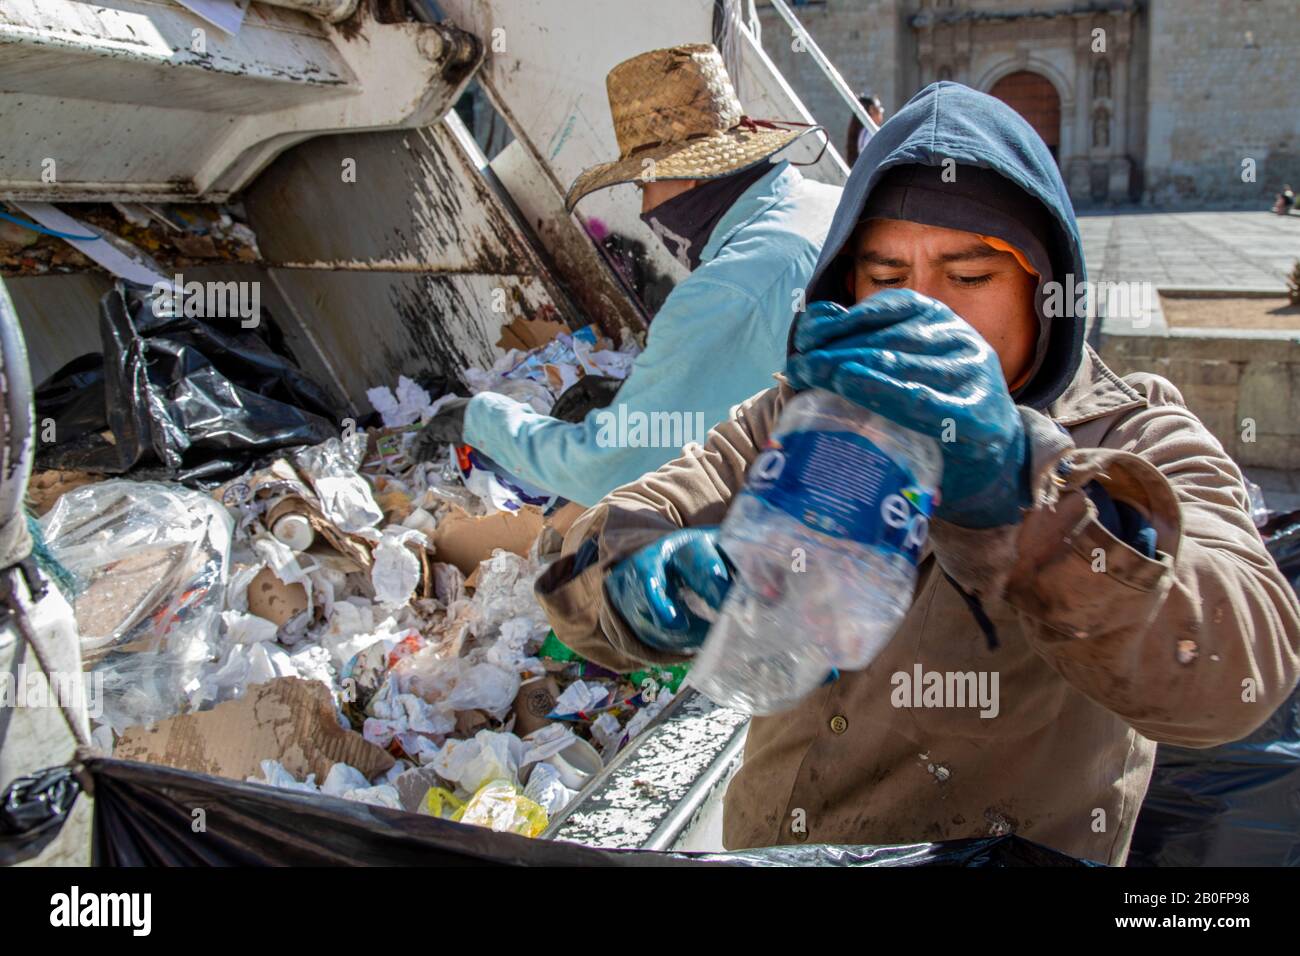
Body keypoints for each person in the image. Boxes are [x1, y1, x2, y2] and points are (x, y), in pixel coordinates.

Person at [533, 81, 1300, 864]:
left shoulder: (1138, 438)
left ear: (1047, 288)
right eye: (888, 278)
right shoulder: (801, 416)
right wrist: (631, 587)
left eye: (970, 278)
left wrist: (1019, 498)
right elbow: (607, 544)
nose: (925, 313)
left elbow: (1241, 676)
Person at [412, 44, 841, 507]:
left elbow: (603, 471)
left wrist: (481, 418)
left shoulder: (725, 290)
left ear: (687, 176)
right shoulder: (830, 203)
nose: (644, 208)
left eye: (643, 183)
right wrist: (645, 396)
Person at [844, 92, 884, 167]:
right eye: (880, 109)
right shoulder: (871, 133)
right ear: (871, 109)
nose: (882, 112)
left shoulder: (863, 132)